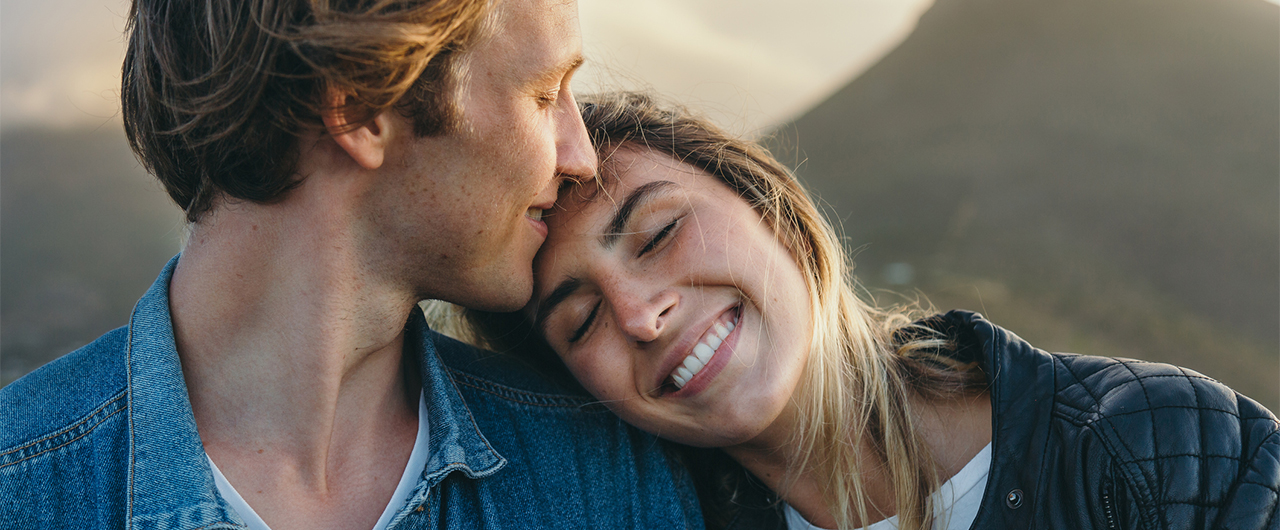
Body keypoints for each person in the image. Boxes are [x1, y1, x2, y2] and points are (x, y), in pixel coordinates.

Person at [0, 2, 703, 529]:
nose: (579, 157)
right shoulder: (20, 490)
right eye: (544, 95)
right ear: (362, 110)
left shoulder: (606, 474)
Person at [434, 92, 1280, 529]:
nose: (640, 314)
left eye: (657, 234)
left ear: (770, 204)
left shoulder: (1163, 445)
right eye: (578, 322)